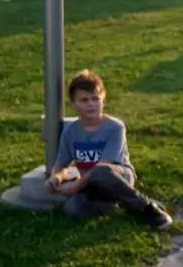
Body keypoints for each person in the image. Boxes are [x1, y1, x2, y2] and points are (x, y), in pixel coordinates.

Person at [46, 69, 172, 230]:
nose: (91, 104)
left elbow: (103, 165)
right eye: (84, 100)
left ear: (103, 100)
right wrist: (55, 179)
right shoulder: (70, 131)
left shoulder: (115, 127)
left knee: (100, 172)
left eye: (95, 99)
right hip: (89, 182)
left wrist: (75, 186)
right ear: (73, 104)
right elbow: (61, 165)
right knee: (73, 208)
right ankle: (122, 201)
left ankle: (147, 207)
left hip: (117, 175)